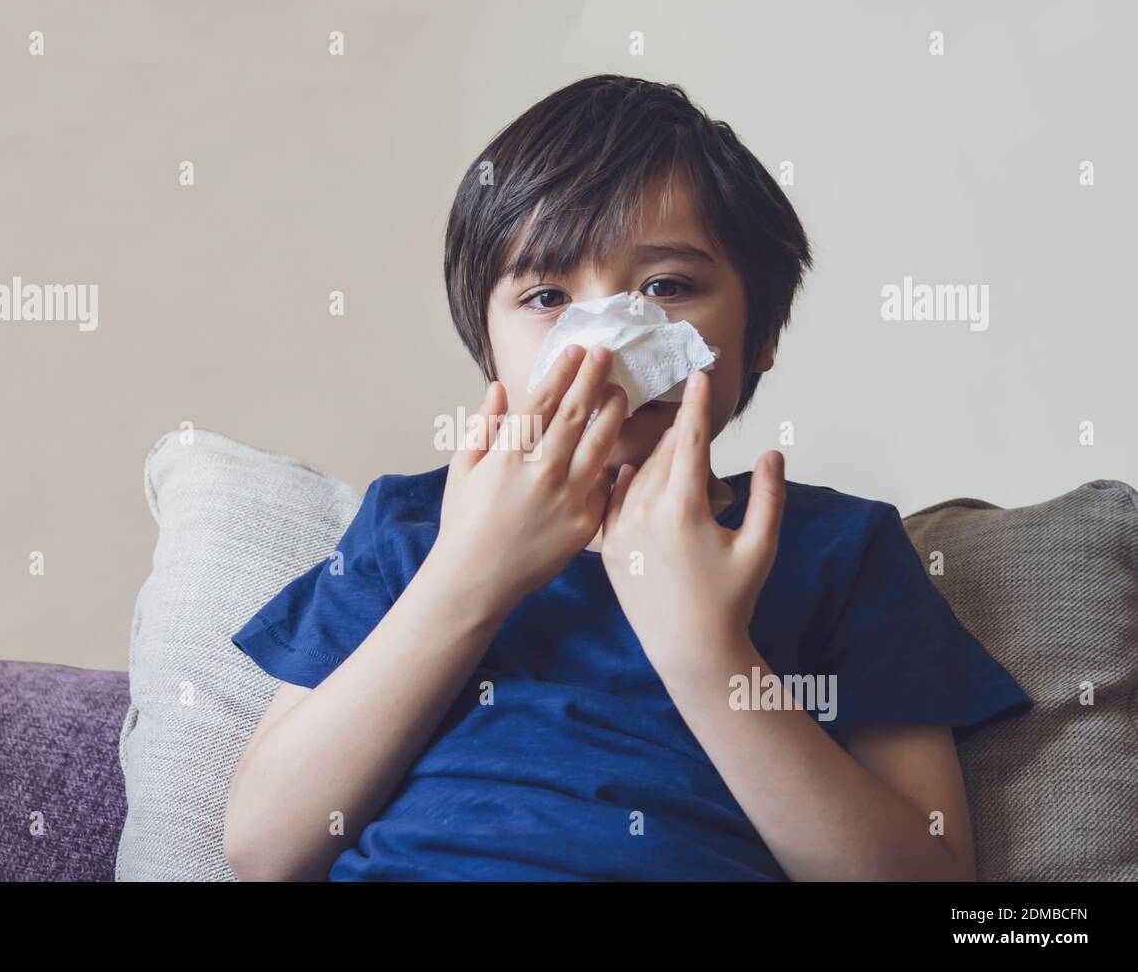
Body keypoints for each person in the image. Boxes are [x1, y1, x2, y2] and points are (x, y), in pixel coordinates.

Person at [222, 74, 1032, 881]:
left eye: (667, 287)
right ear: (488, 342)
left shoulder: (839, 552)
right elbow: (264, 849)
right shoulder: (408, 529)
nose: (605, 342)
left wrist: (707, 650)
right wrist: (468, 576)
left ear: (761, 336)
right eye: (547, 295)